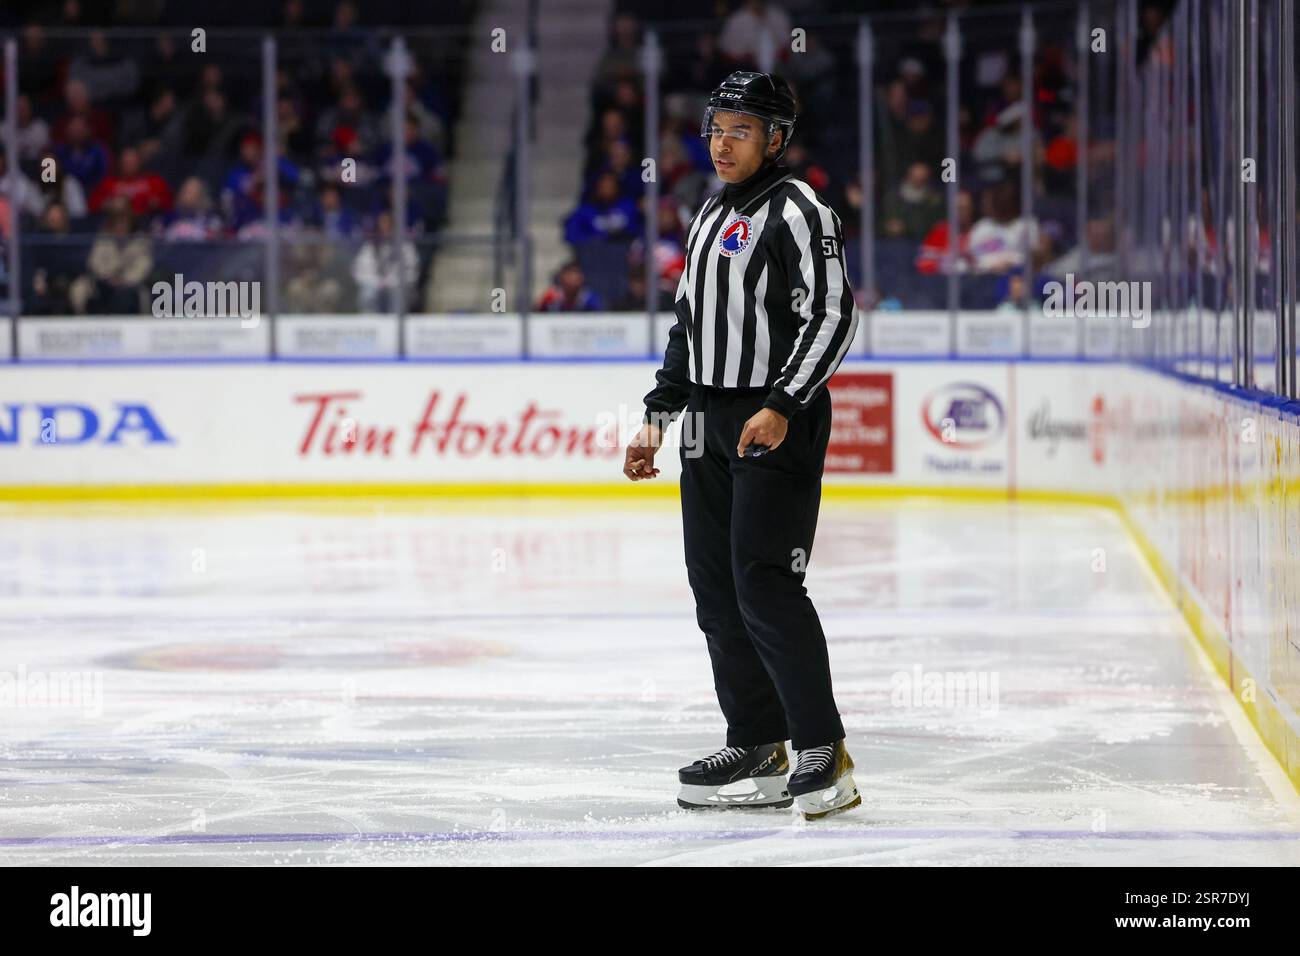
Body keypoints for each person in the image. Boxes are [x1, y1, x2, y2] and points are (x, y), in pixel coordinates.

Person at [622, 71, 861, 820]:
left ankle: (822, 747)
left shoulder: (800, 210)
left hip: (772, 420)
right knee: (716, 588)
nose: (723, 144)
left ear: (777, 140)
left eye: (742, 131)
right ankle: (758, 742)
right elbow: (689, 327)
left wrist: (784, 403)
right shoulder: (709, 212)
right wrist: (658, 419)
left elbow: (833, 314)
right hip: (707, 420)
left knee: (764, 582)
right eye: (717, 129)